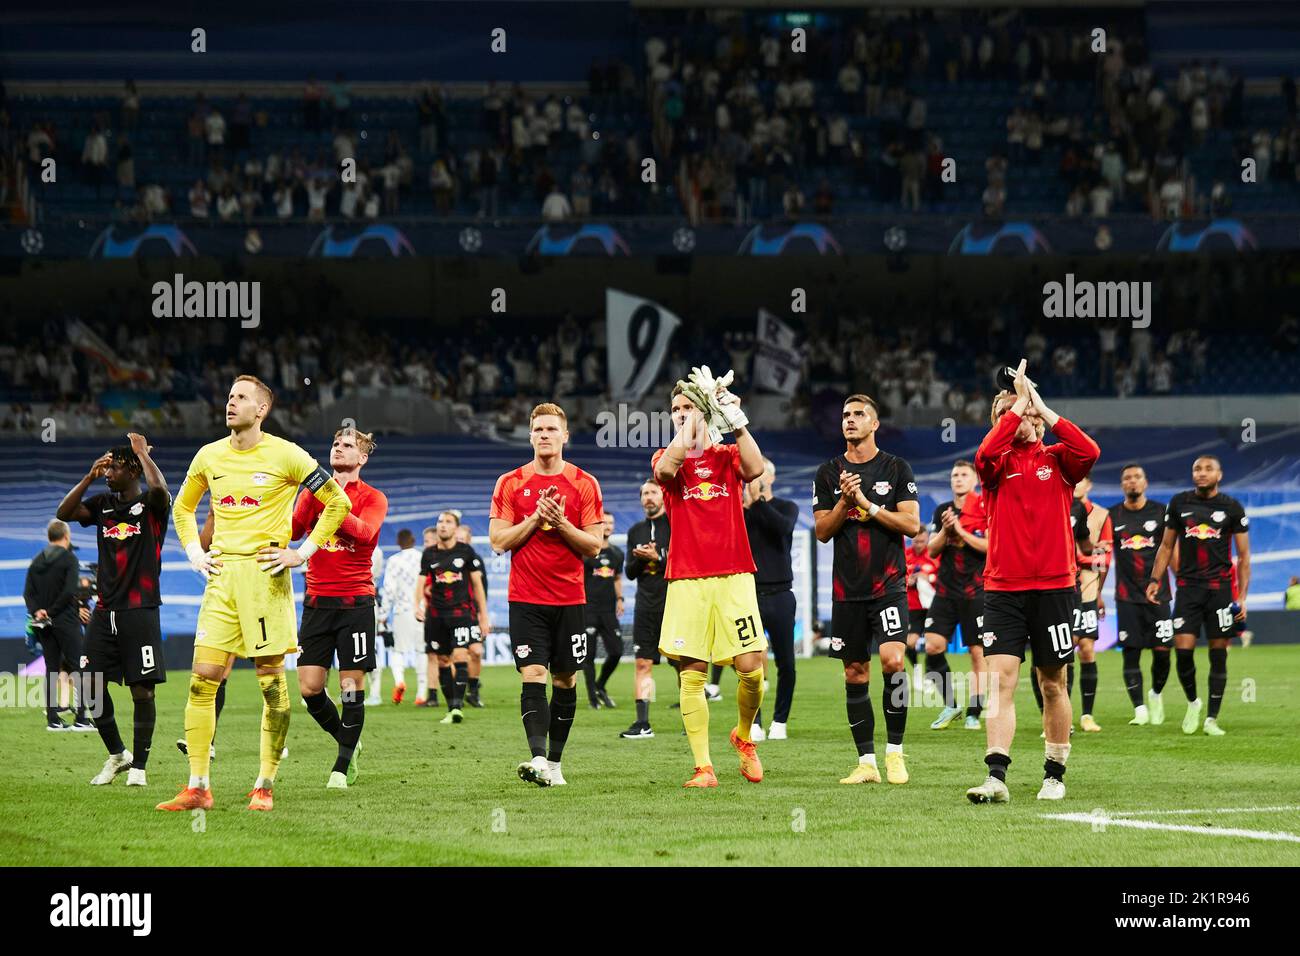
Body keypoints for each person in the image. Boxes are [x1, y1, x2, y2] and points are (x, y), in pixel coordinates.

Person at [157, 375, 351, 812]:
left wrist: (302, 553)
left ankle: (264, 784)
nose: (231, 403)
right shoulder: (209, 455)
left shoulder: (287, 454)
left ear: (260, 410)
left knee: (270, 685)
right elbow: (183, 507)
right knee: (202, 681)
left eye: (241, 397)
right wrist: (193, 552)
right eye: (229, 396)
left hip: (266, 580)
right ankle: (198, 786)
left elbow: (338, 502)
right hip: (222, 580)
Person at [967, 360, 1099, 804]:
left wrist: (1042, 406)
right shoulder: (994, 466)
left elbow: (1091, 452)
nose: (1020, 414)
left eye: (1025, 410)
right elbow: (984, 454)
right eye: (1010, 411)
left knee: (1052, 683)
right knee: (1001, 680)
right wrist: (1016, 403)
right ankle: (997, 776)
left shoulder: (1058, 460)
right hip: (1003, 588)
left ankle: (1054, 773)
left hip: (1056, 588)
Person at [653, 367, 768, 788]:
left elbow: (755, 469)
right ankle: (704, 767)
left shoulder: (726, 457)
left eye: (688, 408)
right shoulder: (669, 459)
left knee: (751, 667)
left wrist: (734, 420)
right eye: (676, 410)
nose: (680, 415)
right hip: (687, 578)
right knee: (692, 671)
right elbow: (665, 472)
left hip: (735, 574)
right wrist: (697, 420)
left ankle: (742, 735)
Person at [489, 403, 603, 786]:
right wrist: (536, 518)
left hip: (570, 599)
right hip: (526, 599)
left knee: (565, 679)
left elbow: (594, 545)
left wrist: (561, 522)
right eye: (538, 429)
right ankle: (538, 759)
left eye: (551, 429)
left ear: (565, 436)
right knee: (533, 673)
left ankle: (555, 763)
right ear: (530, 435)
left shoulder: (584, 483)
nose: (544, 435)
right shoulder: (510, 483)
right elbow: (498, 540)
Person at [814, 395, 922, 785]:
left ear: (875, 423)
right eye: (845, 414)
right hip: (848, 591)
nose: (850, 420)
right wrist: (845, 502)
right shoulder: (828, 472)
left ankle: (895, 753)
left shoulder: (895, 468)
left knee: (893, 659)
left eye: (859, 414)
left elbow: (912, 526)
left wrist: (868, 504)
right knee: (855, 674)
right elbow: (823, 531)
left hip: (889, 586)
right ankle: (866, 762)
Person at [57, 436, 168, 786]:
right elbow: (64, 514)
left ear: (133, 468)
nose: (109, 473)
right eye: (107, 467)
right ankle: (119, 754)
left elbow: (161, 491)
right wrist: (89, 477)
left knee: (141, 691)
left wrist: (139, 452)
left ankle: (140, 767)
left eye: (114, 467)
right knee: (87, 682)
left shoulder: (151, 505)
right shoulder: (103, 503)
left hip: (141, 609)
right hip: (105, 612)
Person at [292, 428, 388, 789]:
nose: (339, 448)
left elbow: (365, 534)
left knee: (350, 687)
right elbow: (293, 532)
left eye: (348, 445)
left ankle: (341, 765)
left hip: (355, 604)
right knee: (310, 689)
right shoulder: (311, 493)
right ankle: (349, 740)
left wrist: (330, 499)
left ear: (362, 458)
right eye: (335, 443)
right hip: (317, 604)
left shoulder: (374, 497)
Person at [1146, 456, 1250, 736]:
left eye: (1208, 469)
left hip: (1220, 590)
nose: (1202, 473)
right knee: (1182, 653)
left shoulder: (1232, 507)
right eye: (1197, 469)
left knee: (1218, 655)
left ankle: (1212, 719)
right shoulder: (1179, 503)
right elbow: (1166, 546)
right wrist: (1155, 579)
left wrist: (1242, 597)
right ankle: (1193, 702)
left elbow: (1243, 556)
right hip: (1188, 590)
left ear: (1220, 474)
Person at [924, 460, 989, 731]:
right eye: (954, 475)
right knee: (932, 646)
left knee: (978, 653)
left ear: (974, 480)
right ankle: (951, 704)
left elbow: (991, 547)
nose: (958, 479)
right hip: (946, 591)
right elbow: (932, 550)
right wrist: (945, 530)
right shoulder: (942, 511)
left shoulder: (985, 507)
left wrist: (961, 531)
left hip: (977, 591)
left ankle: (974, 711)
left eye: (964, 474)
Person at [1108, 464, 1175, 726]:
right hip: (1126, 597)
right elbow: (1102, 551)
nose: (1132, 482)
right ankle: (1139, 709)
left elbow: (1171, 550)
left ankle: (1155, 694)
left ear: (1145, 483)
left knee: (1162, 652)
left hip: (1159, 595)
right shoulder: (1112, 516)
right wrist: (1098, 592)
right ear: (1122, 484)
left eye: (1137, 477)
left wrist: (1183, 583)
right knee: (1131, 652)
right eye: (1127, 478)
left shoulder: (1161, 512)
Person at [742, 457, 800, 740]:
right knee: (750, 662)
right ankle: (755, 721)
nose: (755, 477)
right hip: (748, 594)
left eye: (761, 473)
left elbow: (782, 529)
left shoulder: (786, 507)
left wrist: (759, 501)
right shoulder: (740, 513)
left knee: (786, 662)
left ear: (772, 477)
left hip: (780, 595)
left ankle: (780, 721)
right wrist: (748, 506)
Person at [415, 510, 489, 725]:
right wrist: (417, 605)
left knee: (460, 656)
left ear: (455, 528)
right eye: (440, 522)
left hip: (461, 614)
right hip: (436, 616)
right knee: (443, 660)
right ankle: (451, 707)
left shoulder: (466, 551)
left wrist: (483, 616)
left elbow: (477, 586)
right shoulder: (428, 554)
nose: (443, 525)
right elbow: (420, 583)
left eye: (448, 522)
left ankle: (457, 707)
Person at [24, 520, 92, 732]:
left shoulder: (36, 560)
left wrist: (39, 612)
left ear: (48, 537)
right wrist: (52, 612)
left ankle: (53, 719)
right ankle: (81, 718)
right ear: (66, 536)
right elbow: (69, 591)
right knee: (79, 666)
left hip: (43, 623)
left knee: (51, 668)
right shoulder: (69, 559)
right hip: (65, 620)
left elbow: (28, 593)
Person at [620, 479, 672, 739]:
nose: (648, 498)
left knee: (684, 664)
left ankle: (692, 719)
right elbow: (629, 573)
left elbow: (685, 561)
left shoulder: (676, 525)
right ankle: (643, 723)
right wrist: (642, 560)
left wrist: (658, 557)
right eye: (644, 494)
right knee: (643, 664)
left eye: (653, 492)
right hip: (645, 606)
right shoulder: (635, 531)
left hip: (674, 603)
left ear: (663, 496)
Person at [1069, 474, 1112, 731]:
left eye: (1080, 481)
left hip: (1086, 588)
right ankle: (1060, 713)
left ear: (1089, 485)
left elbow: (1102, 557)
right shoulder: (1055, 503)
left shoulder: (1101, 515)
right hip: (1059, 586)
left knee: (1086, 648)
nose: (1075, 485)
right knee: (1062, 651)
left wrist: (1097, 591)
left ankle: (1086, 715)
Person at [581, 513, 624, 709]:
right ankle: (592, 698)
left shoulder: (617, 553)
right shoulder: (586, 553)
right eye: (604, 522)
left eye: (611, 522)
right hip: (588, 609)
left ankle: (600, 686)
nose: (608, 525)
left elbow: (616, 578)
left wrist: (620, 599)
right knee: (588, 656)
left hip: (608, 611)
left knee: (616, 651)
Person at [381, 529, 425, 704]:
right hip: (421, 611)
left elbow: (389, 590)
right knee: (422, 651)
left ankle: (399, 680)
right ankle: (421, 693)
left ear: (398, 542)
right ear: (414, 539)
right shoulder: (423, 558)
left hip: (402, 611)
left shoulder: (394, 561)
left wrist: (383, 614)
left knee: (398, 651)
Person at [454, 523, 488, 706]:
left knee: (476, 651)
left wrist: (484, 615)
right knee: (455, 655)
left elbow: (483, 589)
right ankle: (455, 694)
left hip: (472, 613)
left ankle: (473, 692)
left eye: (462, 539)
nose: (459, 542)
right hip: (452, 614)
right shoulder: (446, 559)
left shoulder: (475, 560)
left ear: (469, 541)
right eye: (457, 538)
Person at [903, 528, 937, 683]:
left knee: (933, 645)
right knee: (909, 644)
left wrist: (928, 577)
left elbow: (944, 575)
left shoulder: (934, 553)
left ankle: (931, 675)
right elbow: (896, 575)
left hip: (933, 606)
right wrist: (907, 580)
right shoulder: (905, 554)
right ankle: (917, 669)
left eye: (922, 541)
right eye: (916, 541)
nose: (919, 544)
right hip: (914, 607)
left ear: (927, 539)